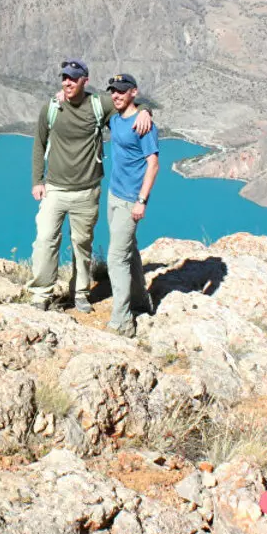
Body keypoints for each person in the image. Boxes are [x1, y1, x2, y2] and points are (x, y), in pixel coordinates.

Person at [27, 59, 151, 312]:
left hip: (87, 190)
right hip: (55, 189)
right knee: (45, 239)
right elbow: (39, 143)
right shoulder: (52, 107)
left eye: (73, 78)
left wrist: (146, 109)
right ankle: (41, 292)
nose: (67, 82)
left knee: (82, 244)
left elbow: (127, 105)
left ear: (85, 80)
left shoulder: (99, 104)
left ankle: (81, 292)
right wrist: (37, 181)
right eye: (64, 77)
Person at [103, 73, 158, 338]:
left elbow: (153, 164)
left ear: (133, 92)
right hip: (113, 195)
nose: (116, 95)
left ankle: (123, 322)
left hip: (130, 201)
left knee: (116, 259)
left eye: (121, 91)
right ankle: (141, 301)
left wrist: (141, 200)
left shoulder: (143, 125)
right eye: (113, 91)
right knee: (129, 251)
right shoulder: (115, 119)